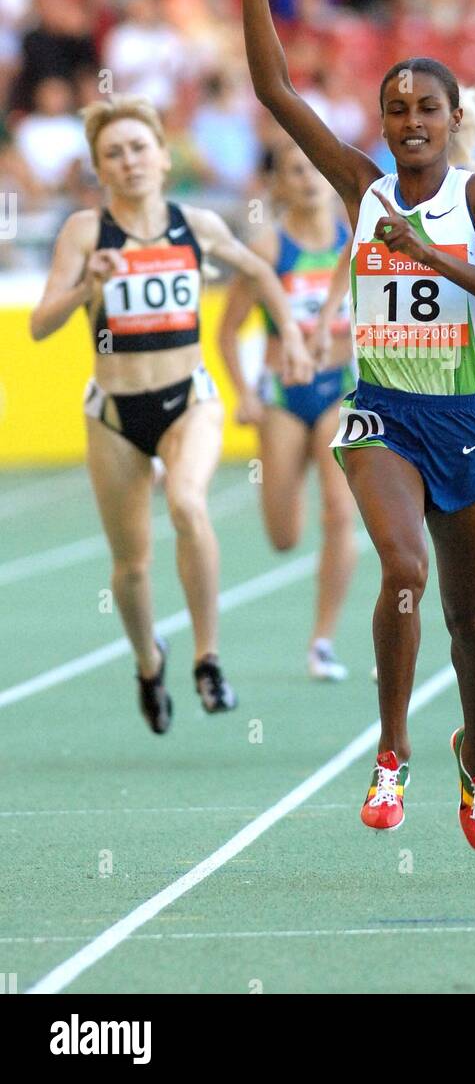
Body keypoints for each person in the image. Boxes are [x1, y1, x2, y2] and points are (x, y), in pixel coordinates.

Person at [213, 0, 475, 852]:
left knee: (470, 620)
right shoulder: (362, 190)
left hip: (468, 418)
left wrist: (428, 257)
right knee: (402, 565)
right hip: (383, 416)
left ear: (451, 119)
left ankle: (473, 759)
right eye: (394, 109)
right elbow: (276, 91)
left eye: (425, 109)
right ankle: (390, 748)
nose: (408, 123)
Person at [30, 95, 312, 735]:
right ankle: (147, 661)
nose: (128, 162)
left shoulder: (197, 225)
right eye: (113, 153)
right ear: (100, 168)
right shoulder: (84, 230)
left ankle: (207, 658)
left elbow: (263, 271)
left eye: (138, 148)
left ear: (163, 156)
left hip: (189, 399)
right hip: (114, 414)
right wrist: (86, 287)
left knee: (188, 503)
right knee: (130, 563)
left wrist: (290, 335)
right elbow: (40, 325)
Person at [218, 138, 358, 680]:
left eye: (314, 169)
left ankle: (322, 640)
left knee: (340, 513)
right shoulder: (270, 250)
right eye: (294, 171)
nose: (307, 179)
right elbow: (227, 333)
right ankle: (289, 470)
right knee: (283, 537)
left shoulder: (356, 240)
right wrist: (244, 393)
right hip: (282, 392)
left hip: (343, 386)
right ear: (278, 184)